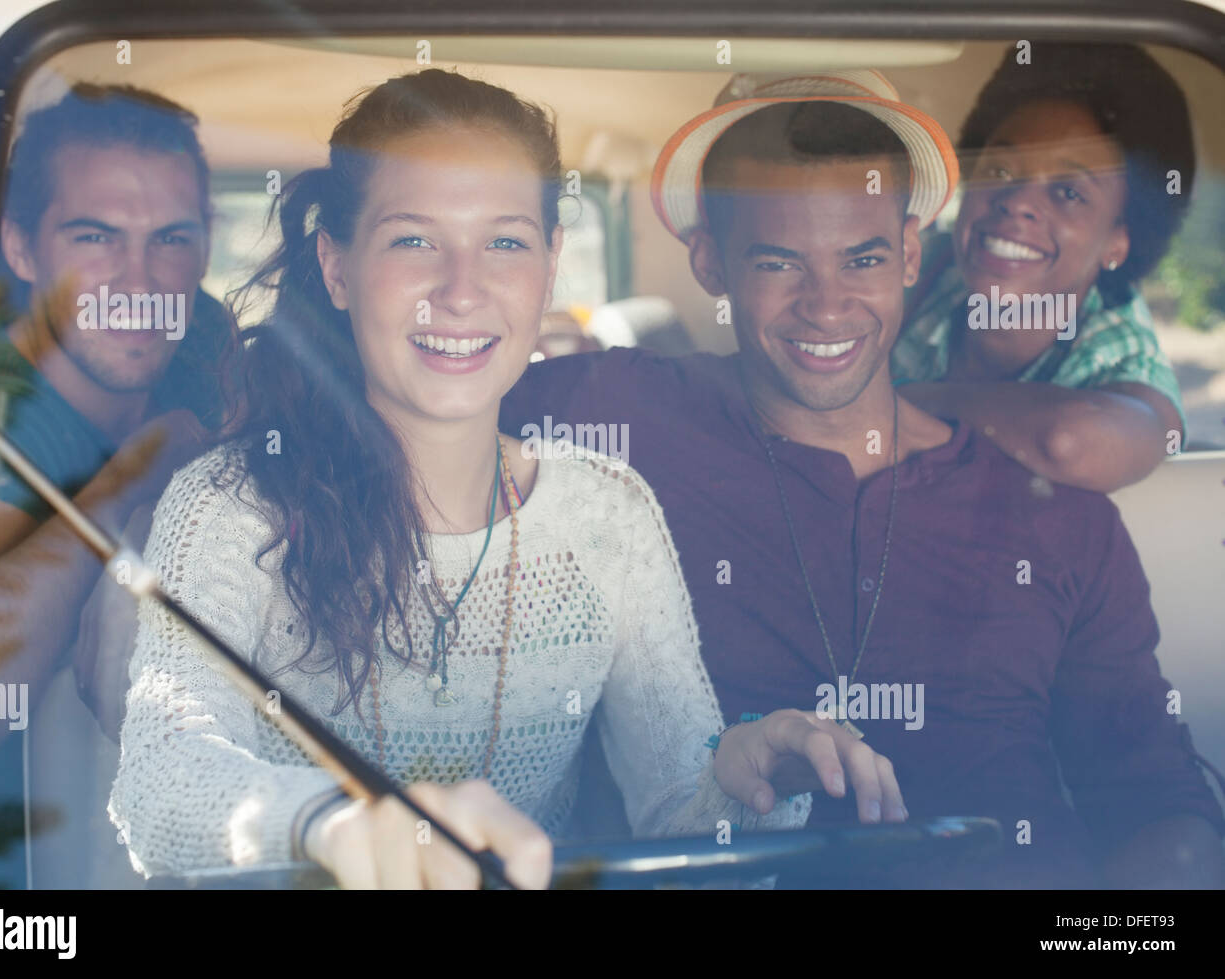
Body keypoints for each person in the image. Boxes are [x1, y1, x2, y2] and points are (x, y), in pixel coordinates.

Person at [107, 69, 866, 891]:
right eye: (413, 240)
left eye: (504, 241)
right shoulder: (229, 505)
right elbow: (160, 778)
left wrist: (752, 771)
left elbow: (681, 813)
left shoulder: (607, 513)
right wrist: (335, 820)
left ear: (548, 268)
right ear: (336, 267)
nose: (461, 290)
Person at [500, 69, 1225, 888]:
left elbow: (1155, 802)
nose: (828, 305)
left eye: (863, 258)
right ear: (709, 261)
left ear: (912, 254)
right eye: (779, 262)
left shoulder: (1060, 522)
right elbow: (381, 408)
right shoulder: (610, 410)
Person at [0, 83, 239, 770]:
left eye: (171, 239)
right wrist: (130, 480)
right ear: (21, 247)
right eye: (95, 236)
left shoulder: (204, 338)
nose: (140, 282)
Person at [891, 43, 1193, 492]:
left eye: (1068, 192)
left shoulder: (1127, 361)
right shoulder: (927, 264)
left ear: (1118, 242)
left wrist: (889, 408)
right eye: (998, 171)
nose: (1016, 203)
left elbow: (1068, 442)